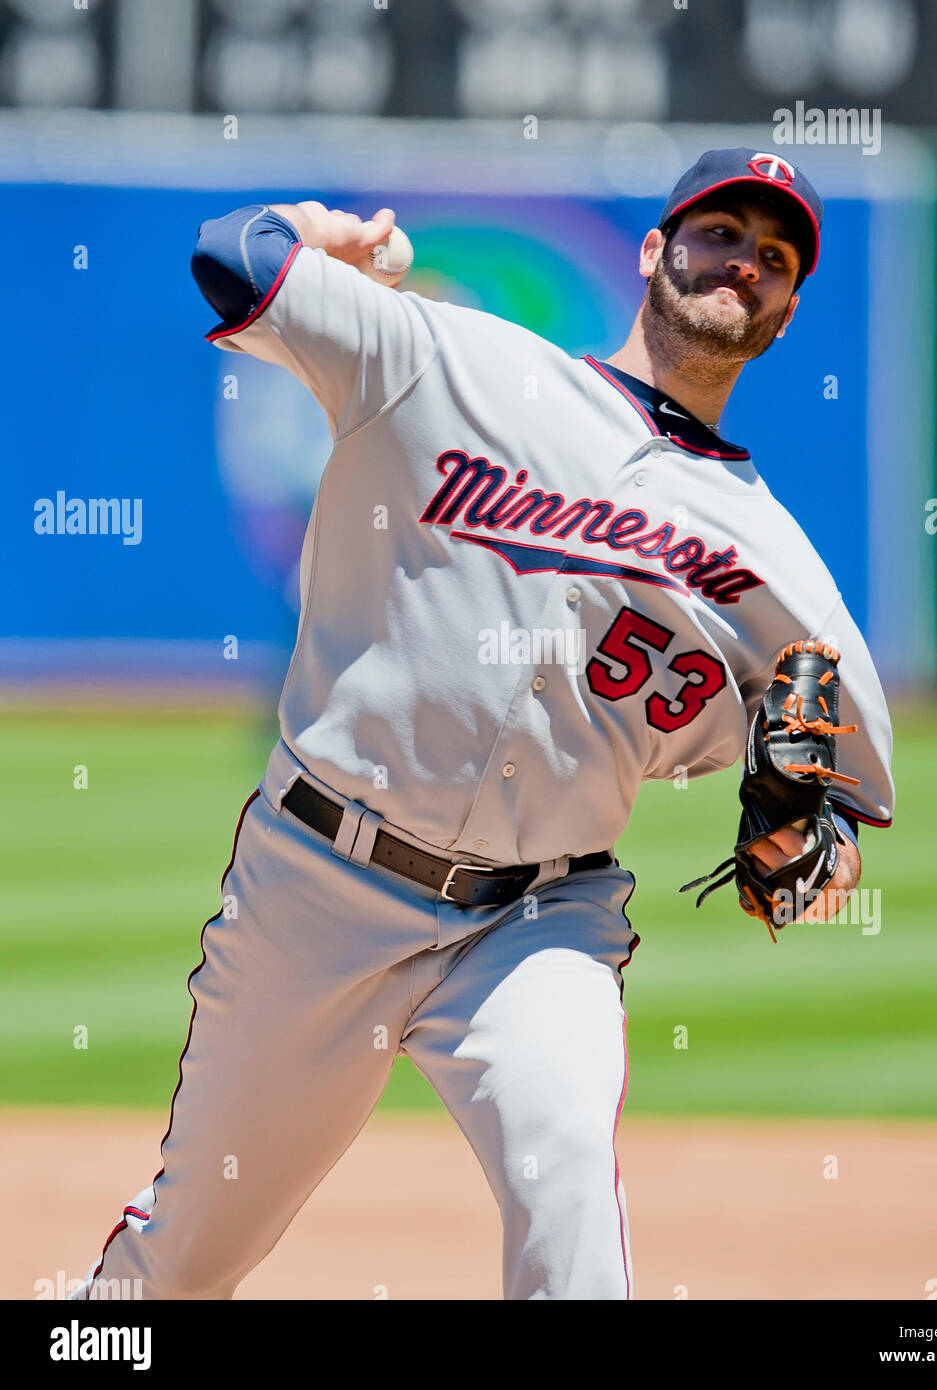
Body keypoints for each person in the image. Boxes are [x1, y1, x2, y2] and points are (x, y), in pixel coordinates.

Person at [71, 148, 893, 1302]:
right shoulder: (451, 359)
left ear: (786, 310)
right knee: (184, 1264)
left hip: (536, 922)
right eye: (719, 233)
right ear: (655, 252)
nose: (741, 263)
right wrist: (330, 239)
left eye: (772, 256)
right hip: (319, 882)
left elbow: (836, 822)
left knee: (566, 1201)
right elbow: (232, 253)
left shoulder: (781, 574)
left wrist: (808, 858)